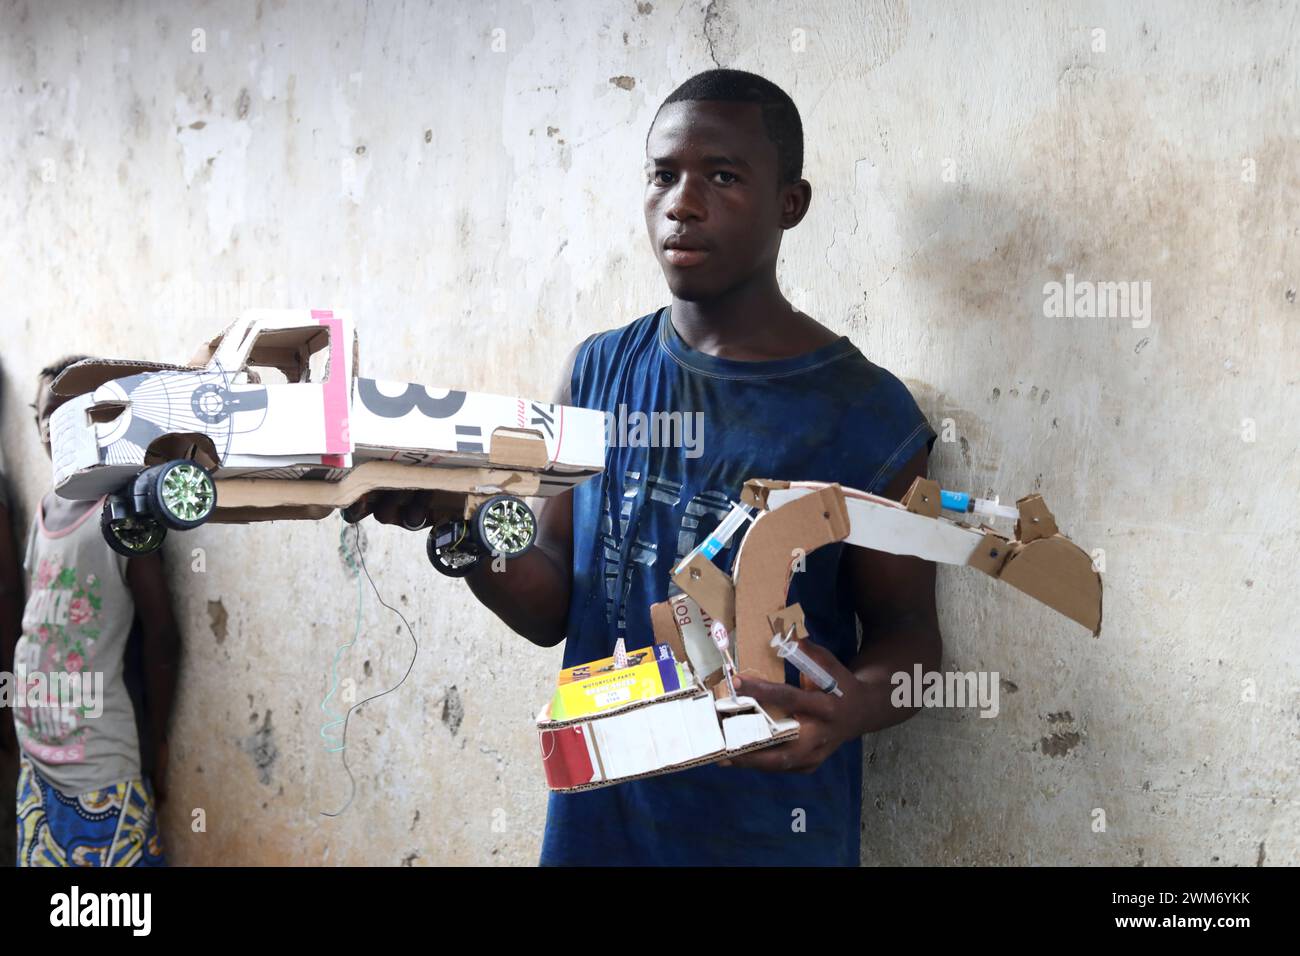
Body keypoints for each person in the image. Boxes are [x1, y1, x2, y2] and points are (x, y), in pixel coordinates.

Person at [349, 69, 942, 865]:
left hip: (769, 830)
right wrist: (463, 522)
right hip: (601, 823)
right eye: (663, 175)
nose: (683, 202)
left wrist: (851, 709)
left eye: (723, 177)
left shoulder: (865, 414)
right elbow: (551, 603)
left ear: (790, 204)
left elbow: (911, 640)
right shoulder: (598, 373)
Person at [9, 355, 180, 866]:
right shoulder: (45, 508)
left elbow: (162, 637)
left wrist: (157, 745)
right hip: (36, 755)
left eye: (73, 411)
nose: (55, 426)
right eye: (46, 415)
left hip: (99, 763)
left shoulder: (122, 512)